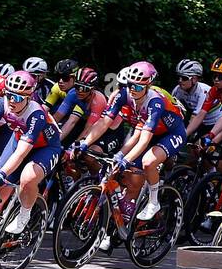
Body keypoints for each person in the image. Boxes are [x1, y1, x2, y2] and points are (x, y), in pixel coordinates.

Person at [74, 60, 185, 222]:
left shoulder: (155, 102)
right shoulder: (123, 94)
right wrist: (85, 143)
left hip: (171, 132)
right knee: (125, 173)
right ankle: (118, 223)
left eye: (138, 87)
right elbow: (104, 122)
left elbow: (145, 140)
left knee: (148, 162)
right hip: (144, 128)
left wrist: (125, 160)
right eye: (131, 85)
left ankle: (154, 202)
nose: (133, 89)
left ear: (147, 87)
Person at [0, 71, 63, 235]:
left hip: (46, 148)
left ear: (28, 97)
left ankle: (24, 215)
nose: (11, 101)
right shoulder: (1, 105)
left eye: (17, 98)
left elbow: (21, 154)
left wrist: (3, 172)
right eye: (9, 95)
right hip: (20, 141)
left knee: (27, 178)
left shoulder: (36, 114)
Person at [170, 58, 222, 140]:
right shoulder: (178, 90)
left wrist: (183, 136)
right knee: (194, 147)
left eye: (184, 78)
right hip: (203, 122)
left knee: (203, 146)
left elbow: (195, 117)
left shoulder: (203, 92)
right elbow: (171, 110)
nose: (180, 80)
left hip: (217, 122)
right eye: (178, 77)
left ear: (194, 79)